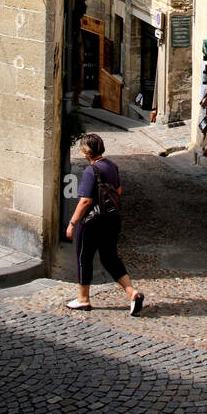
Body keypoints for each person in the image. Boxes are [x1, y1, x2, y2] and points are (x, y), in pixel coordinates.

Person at [65, 132, 144, 314]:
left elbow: (85, 201)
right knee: (109, 257)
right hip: (112, 219)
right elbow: (118, 190)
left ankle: (83, 299)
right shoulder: (112, 166)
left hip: (93, 221)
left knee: (84, 257)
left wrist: (72, 223)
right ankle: (131, 292)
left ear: (86, 152)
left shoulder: (90, 171)